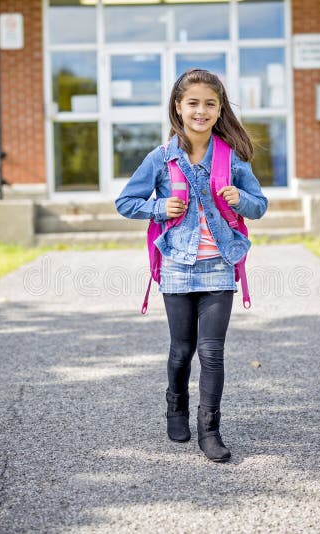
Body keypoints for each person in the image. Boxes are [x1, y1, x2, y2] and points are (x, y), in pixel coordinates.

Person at [115, 68, 268, 462]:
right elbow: (125, 202)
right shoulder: (161, 158)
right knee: (182, 350)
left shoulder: (231, 157)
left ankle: (210, 429)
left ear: (219, 111)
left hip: (219, 262)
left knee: (212, 352)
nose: (201, 110)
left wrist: (240, 199)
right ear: (179, 108)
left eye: (210, 104)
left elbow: (259, 204)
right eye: (193, 103)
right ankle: (176, 406)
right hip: (177, 267)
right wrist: (158, 207)